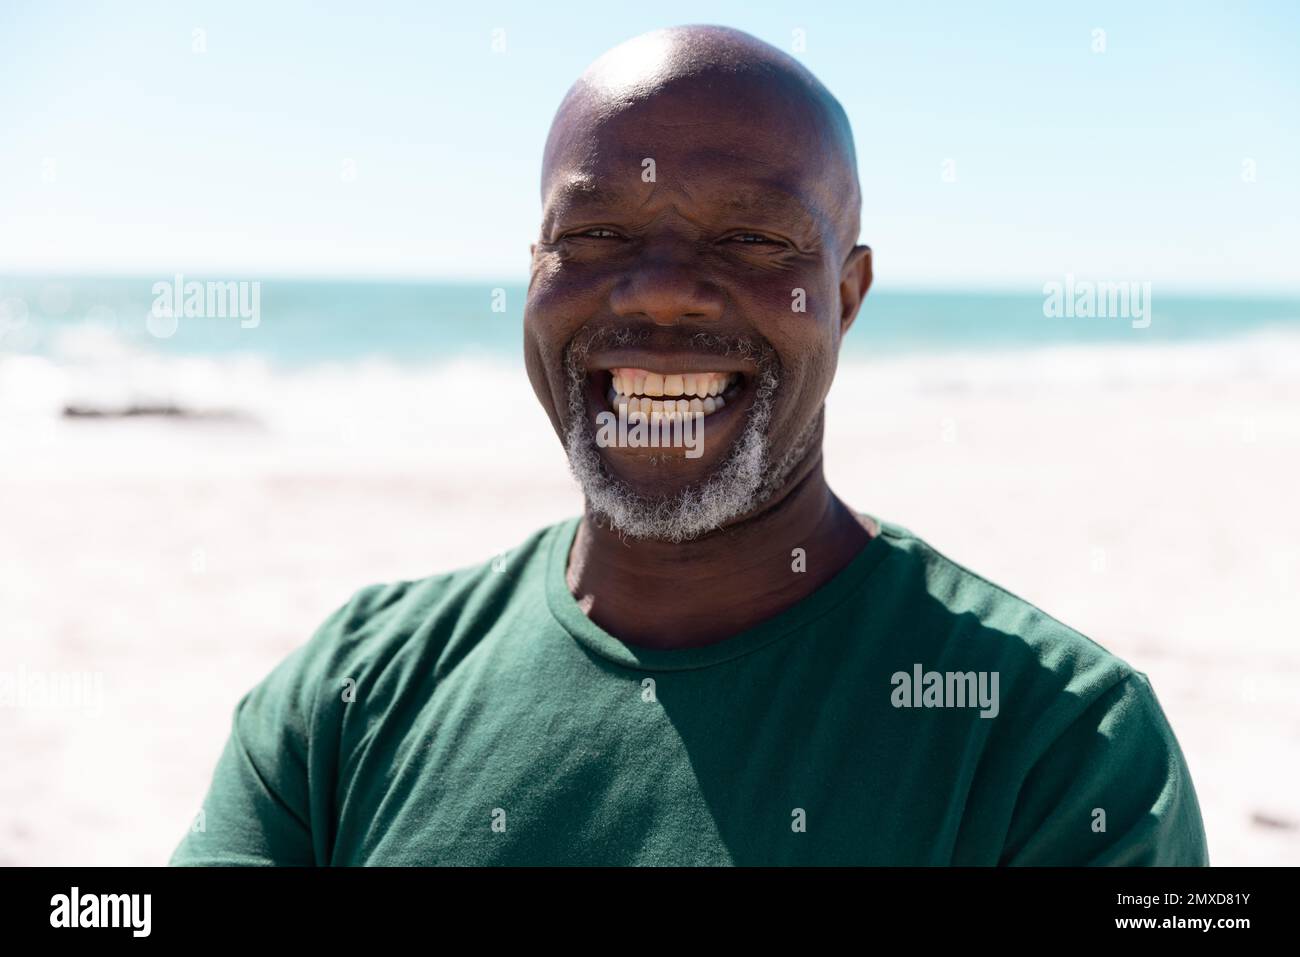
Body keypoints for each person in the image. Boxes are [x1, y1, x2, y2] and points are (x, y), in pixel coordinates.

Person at [171, 24, 1208, 866]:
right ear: (532, 274)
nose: (659, 285)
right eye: (593, 236)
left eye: (752, 239)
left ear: (845, 295)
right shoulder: (350, 690)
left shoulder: (1062, 745)